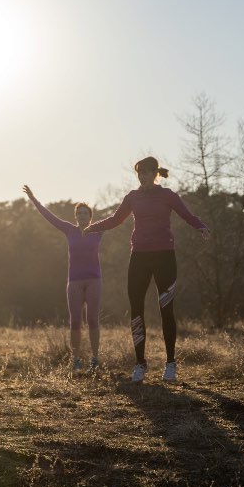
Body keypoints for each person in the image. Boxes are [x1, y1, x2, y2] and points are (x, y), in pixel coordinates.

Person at [87, 157, 210, 383]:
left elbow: (186, 214)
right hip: (139, 258)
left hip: (164, 257)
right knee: (136, 309)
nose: (142, 176)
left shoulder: (168, 195)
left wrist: (200, 226)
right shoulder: (132, 197)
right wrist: (93, 227)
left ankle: (170, 363)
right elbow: (115, 219)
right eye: (139, 173)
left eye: (146, 172)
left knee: (166, 309)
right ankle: (140, 364)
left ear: (155, 173)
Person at [22, 185, 104, 372]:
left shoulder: (98, 230)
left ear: (90, 217)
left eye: (85, 213)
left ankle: (95, 358)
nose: (82, 216)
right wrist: (33, 199)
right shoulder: (69, 230)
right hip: (74, 281)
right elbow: (49, 216)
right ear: (76, 216)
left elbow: (118, 217)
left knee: (92, 319)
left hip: (94, 280)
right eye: (79, 213)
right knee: (75, 321)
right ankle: (75, 359)